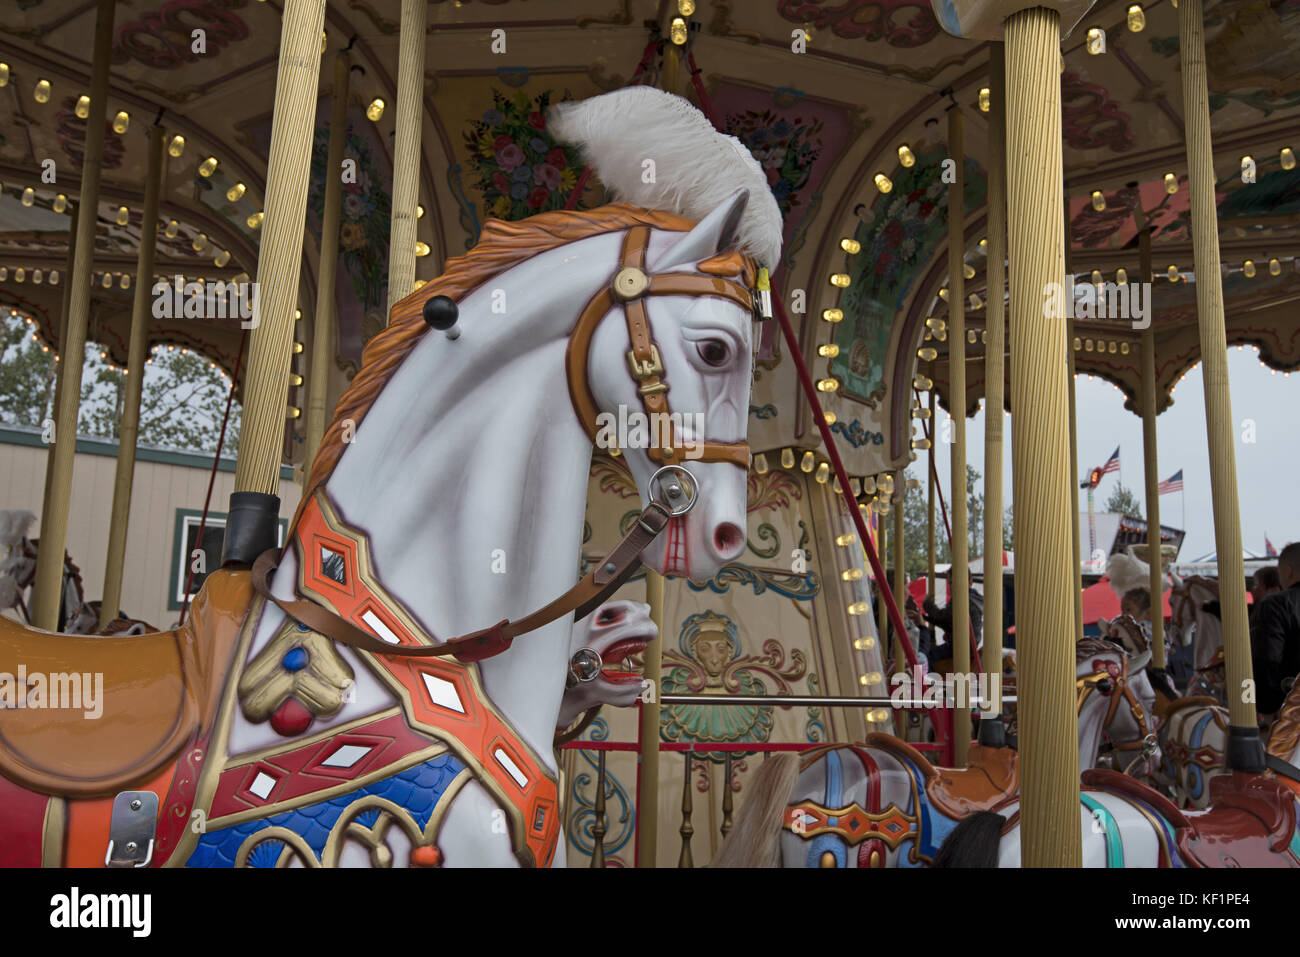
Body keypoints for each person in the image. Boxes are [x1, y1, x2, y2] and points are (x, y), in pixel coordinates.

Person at [1250, 543, 1300, 715]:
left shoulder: (1275, 605)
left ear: (1288, 571)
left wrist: (1265, 707)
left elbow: (1266, 661)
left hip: (1289, 711)